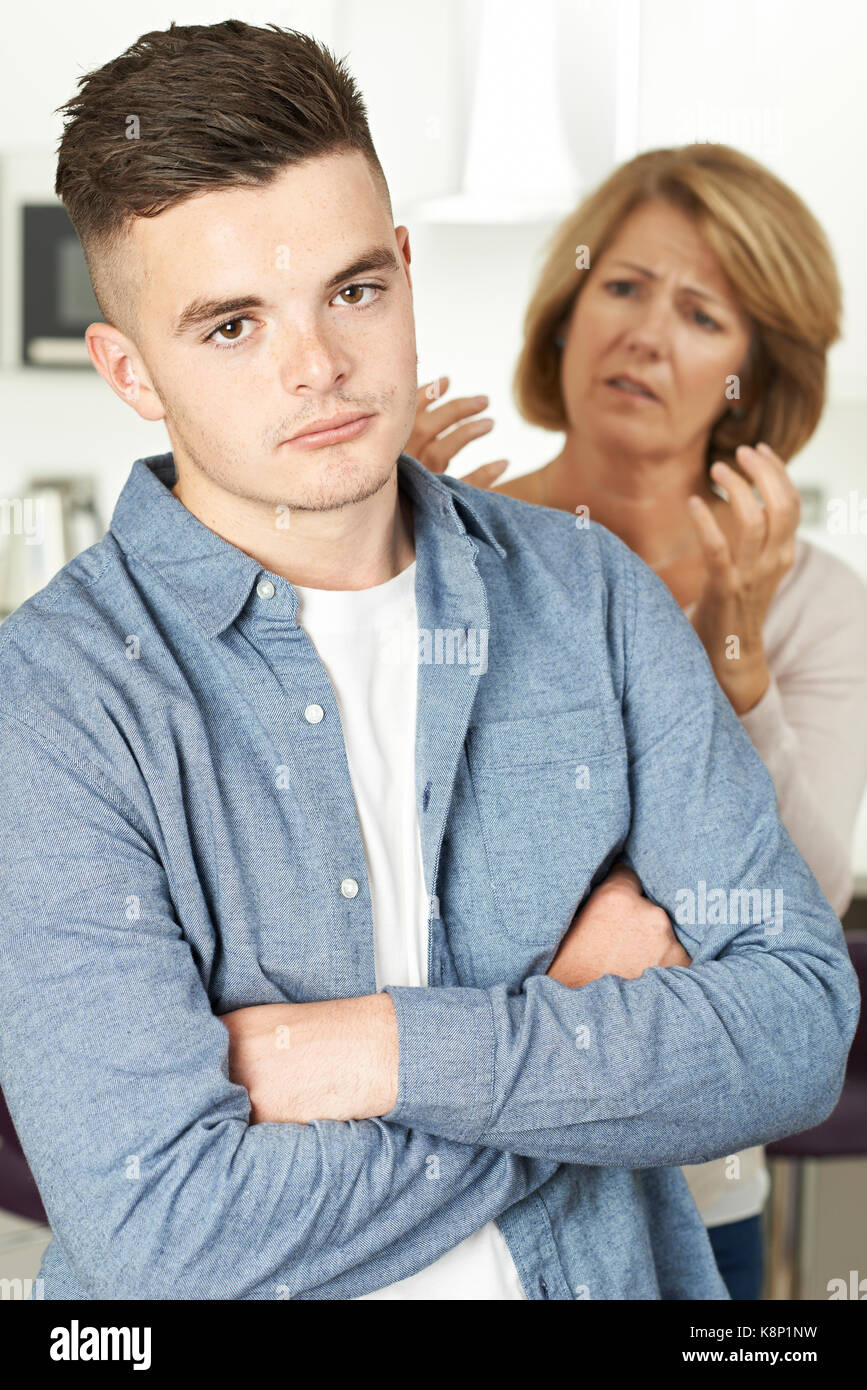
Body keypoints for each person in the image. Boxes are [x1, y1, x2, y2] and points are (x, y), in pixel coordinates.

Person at [0, 21, 858, 1302]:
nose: (322, 368)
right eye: (231, 325)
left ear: (404, 269)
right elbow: (164, 1237)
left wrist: (372, 1054)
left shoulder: (591, 597)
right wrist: (567, 1038)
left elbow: (795, 1030)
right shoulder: (54, 697)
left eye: (353, 290)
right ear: (129, 369)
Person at [407, 142, 867, 1299]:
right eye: (620, 287)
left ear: (750, 378)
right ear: (565, 318)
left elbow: (790, 918)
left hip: (694, 1190)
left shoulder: (819, 604)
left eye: (703, 312)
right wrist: (370, 567)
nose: (647, 336)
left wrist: (736, 660)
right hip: (441, 1173)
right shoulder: (436, 541)